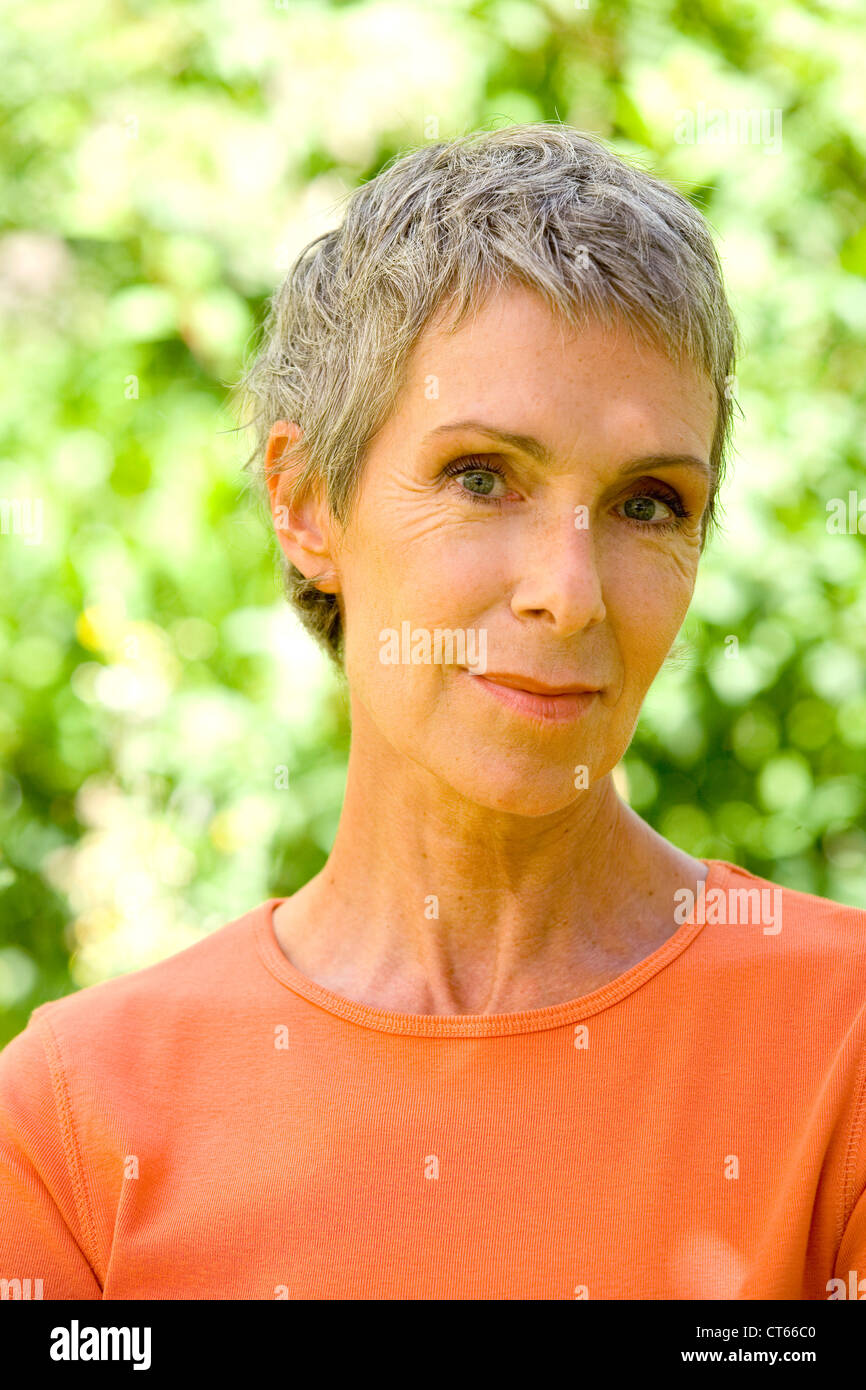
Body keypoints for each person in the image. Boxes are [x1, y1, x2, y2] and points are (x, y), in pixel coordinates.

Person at [1, 123, 864, 1301]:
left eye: (647, 503)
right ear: (306, 504)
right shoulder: (72, 1120)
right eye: (479, 477)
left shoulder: (840, 1046)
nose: (566, 595)